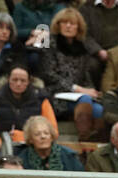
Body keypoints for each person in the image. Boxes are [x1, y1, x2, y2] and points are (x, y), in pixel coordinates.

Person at [39, 8, 106, 140]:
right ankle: (84, 139)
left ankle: (97, 143)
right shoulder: (49, 44)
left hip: (79, 96)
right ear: (58, 25)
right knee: (85, 99)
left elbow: (85, 77)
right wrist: (76, 89)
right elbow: (49, 75)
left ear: (78, 27)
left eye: (72, 23)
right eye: (64, 22)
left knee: (98, 108)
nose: (68, 26)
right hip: (56, 94)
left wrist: (91, 91)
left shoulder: (82, 47)